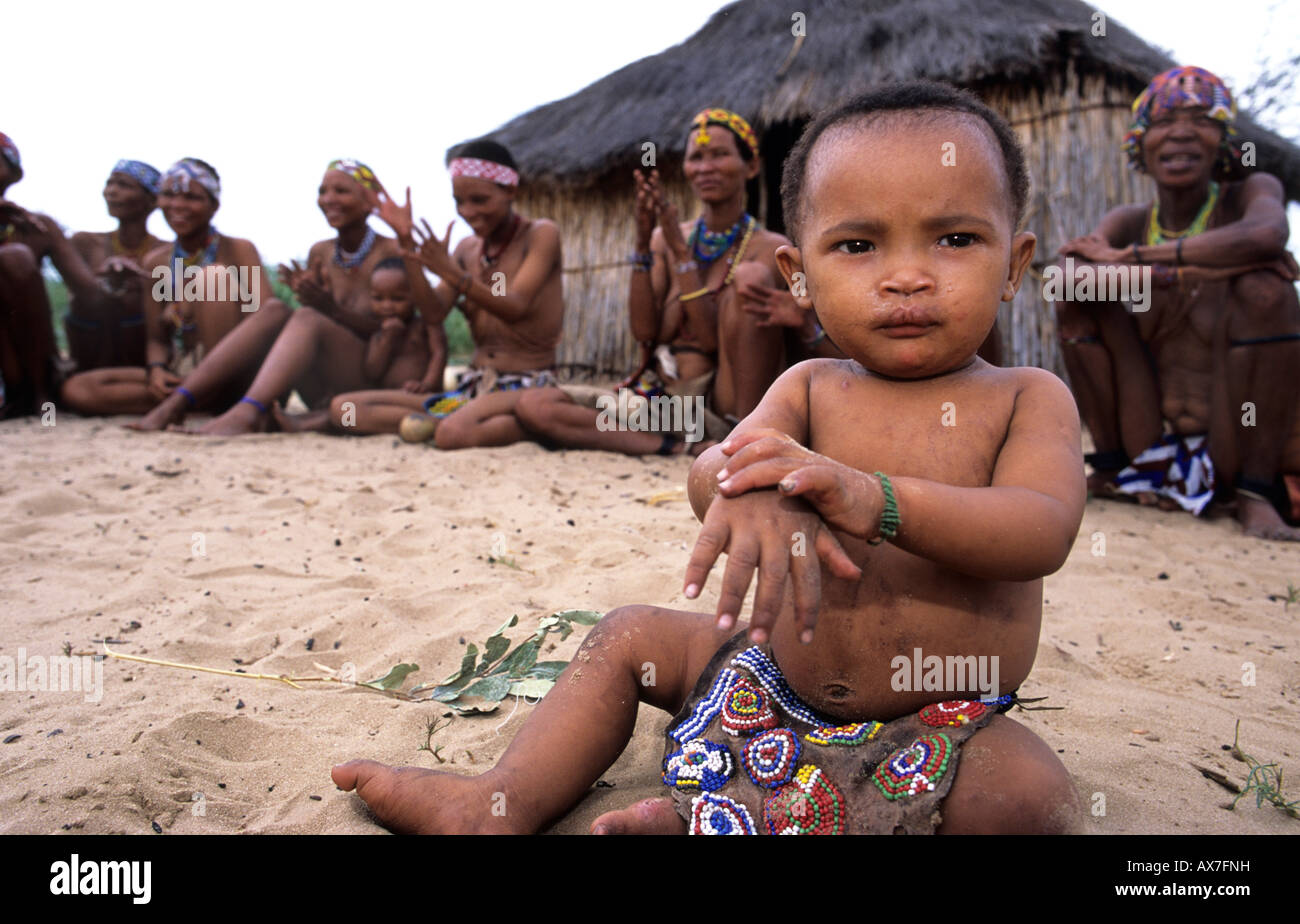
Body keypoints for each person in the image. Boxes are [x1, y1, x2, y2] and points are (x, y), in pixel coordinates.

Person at [332, 82, 1085, 835]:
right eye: (858, 245)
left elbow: (1039, 528)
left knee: (1027, 797)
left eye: (954, 239)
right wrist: (741, 486)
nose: (906, 276)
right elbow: (714, 461)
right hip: (761, 683)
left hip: (934, 722)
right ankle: (498, 801)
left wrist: (880, 500)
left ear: (1015, 263)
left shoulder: (1025, 397)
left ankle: (727, 817)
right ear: (800, 276)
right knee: (628, 634)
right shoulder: (809, 386)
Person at [1056, 66, 1300, 540]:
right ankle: (1110, 467)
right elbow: (1065, 283)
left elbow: (1268, 234)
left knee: (1266, 290)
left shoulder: (1252, 192)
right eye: (1164, 122)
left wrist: (1132, 261)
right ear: (1141, 144)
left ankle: (1254, 493)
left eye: (1202, 120)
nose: (1182, 133)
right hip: (1149, 436)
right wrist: (1186, 270)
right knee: (1080, 302)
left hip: (1234, 435)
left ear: (1223, 141)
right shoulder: (1128, 220)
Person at [514, 109, 829, 456]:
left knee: (749, 276)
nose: (706, 167)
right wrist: (642, 242)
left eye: (720, 155)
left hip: (723, 409)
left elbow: (710, 340)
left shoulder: (770, 250)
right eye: (697, 157)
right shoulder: (665, 239)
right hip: (664, 408)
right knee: (537, 405)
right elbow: (644, 333)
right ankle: (674, 447)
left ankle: (743, 435)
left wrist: (683, 258)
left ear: (751, 167)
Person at [173, 158, 444, 435]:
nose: (328, 200)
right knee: (280, 311)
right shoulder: (320, 252)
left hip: (377, 381)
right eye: (323, 191)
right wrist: (314, 300)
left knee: (309, 322)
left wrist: (332, 310)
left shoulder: (394, 251)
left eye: (341, 191)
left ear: (368, 203)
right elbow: (323, 327)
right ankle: (184, 401)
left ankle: (250, 411)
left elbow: (418, 323)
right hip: (329, 387)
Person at [331, 140, 563, 446]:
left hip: (526, 386)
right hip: (473, 389)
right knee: (345, 409)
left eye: (480, 200)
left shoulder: (541, 234)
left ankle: (497, 424)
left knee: (453, 434)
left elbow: (515, 305)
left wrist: (453, 273)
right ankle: (450, 419)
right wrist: (407, 244)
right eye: (460, 202)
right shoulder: (468, 249)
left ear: (510, 191)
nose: (469, 212)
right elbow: (434, 312)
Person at [60, 158, 287, 418]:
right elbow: (156, 339)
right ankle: (193, 396)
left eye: (191, 197)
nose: (178, 206)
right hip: (185, 369)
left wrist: (190, 303)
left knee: (214, 277)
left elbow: (267, 319)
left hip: (237, 371)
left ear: (213, 206)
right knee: (78, 389)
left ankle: (210, 393)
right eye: (169, 195)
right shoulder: (157, 262)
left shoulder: (238, 250)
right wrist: (156, 369)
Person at [271, 256, 433, 432]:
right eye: (378, 299)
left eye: (397, 299)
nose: (387, 306)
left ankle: (329, 424)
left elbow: (439, 354)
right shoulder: (379, 333)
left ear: (417, 297)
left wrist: (427, 383)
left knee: (343, 409)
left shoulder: (424, 325)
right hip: (387, 398)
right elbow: (372, 371)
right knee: (344, 409)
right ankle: (329, 423)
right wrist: (387, 340)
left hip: (420, 396)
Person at [0, 131, 89, 416]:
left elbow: (89, 291)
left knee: (15, 260)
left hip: (22, 360)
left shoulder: (36, 229)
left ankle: (39, 392)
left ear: (14, 173)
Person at [61, 161, 166, 372]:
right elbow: (75, 299)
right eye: (110, 184)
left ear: (151, 200)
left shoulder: (165, 251)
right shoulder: (84, 243)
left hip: (144, 356)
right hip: (90, 356)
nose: (111, 192)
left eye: (124, 185)